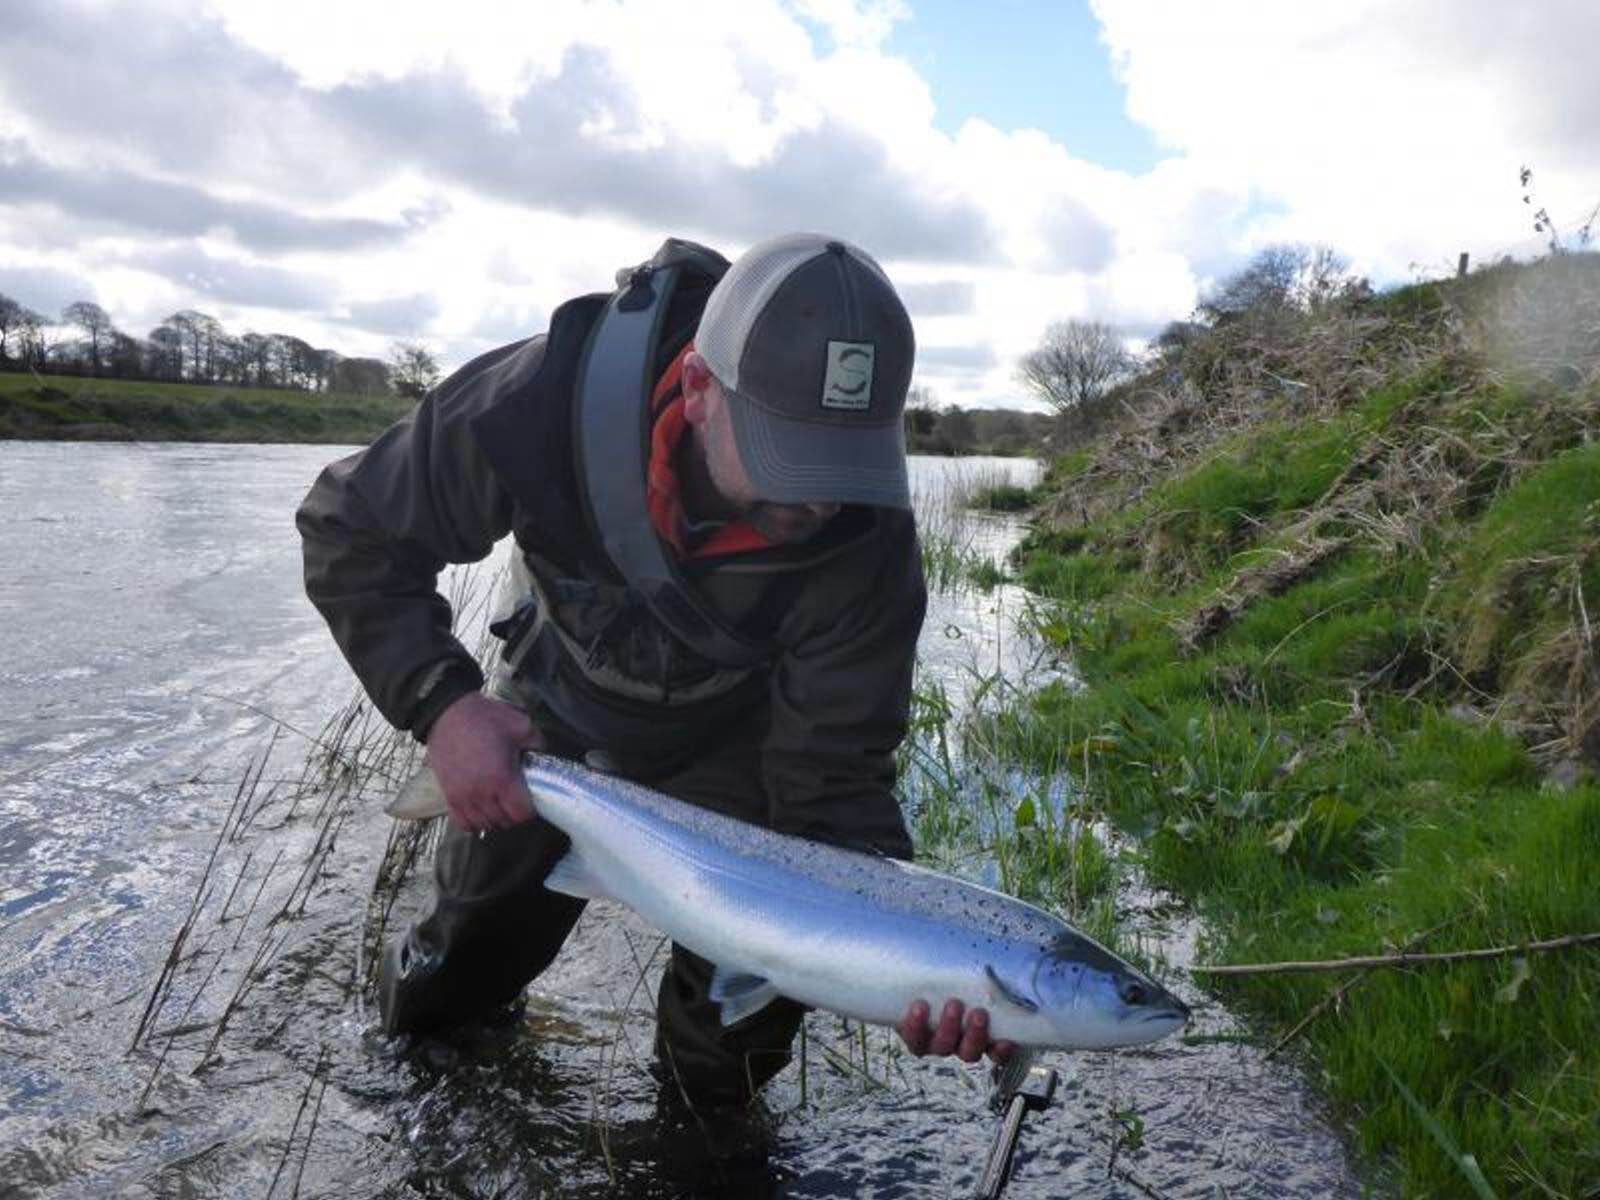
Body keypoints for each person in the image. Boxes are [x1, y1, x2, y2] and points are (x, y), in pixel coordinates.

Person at [297, 232, 1011, 1108]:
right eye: (792, 457)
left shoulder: (870, 542)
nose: (823, 498)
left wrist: (899, 960)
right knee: (450, 989)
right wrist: (445, 709)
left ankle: (697, 1151)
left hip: (746, 763)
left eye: (846, 462)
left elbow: (835, 777)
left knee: (728, 1056)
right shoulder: (535, 402)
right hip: (552, 720)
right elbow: (352, 529)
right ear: (701, 387)